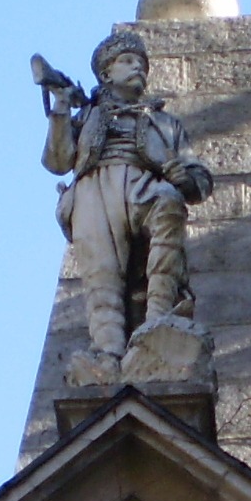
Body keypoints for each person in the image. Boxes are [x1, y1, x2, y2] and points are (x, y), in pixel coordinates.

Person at [40, 32, 214, 364]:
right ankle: (107, 353)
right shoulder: (86, 115)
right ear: (106, 74)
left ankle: (158, 316)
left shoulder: (164, 122)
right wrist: (60, 108)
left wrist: (185, 179)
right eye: (128, 61)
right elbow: (58, 162)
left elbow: (200, 177)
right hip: (92, 189)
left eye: (142, 64)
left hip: (142, 183)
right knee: (101, 274)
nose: (139, 68)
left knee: (168, 202)